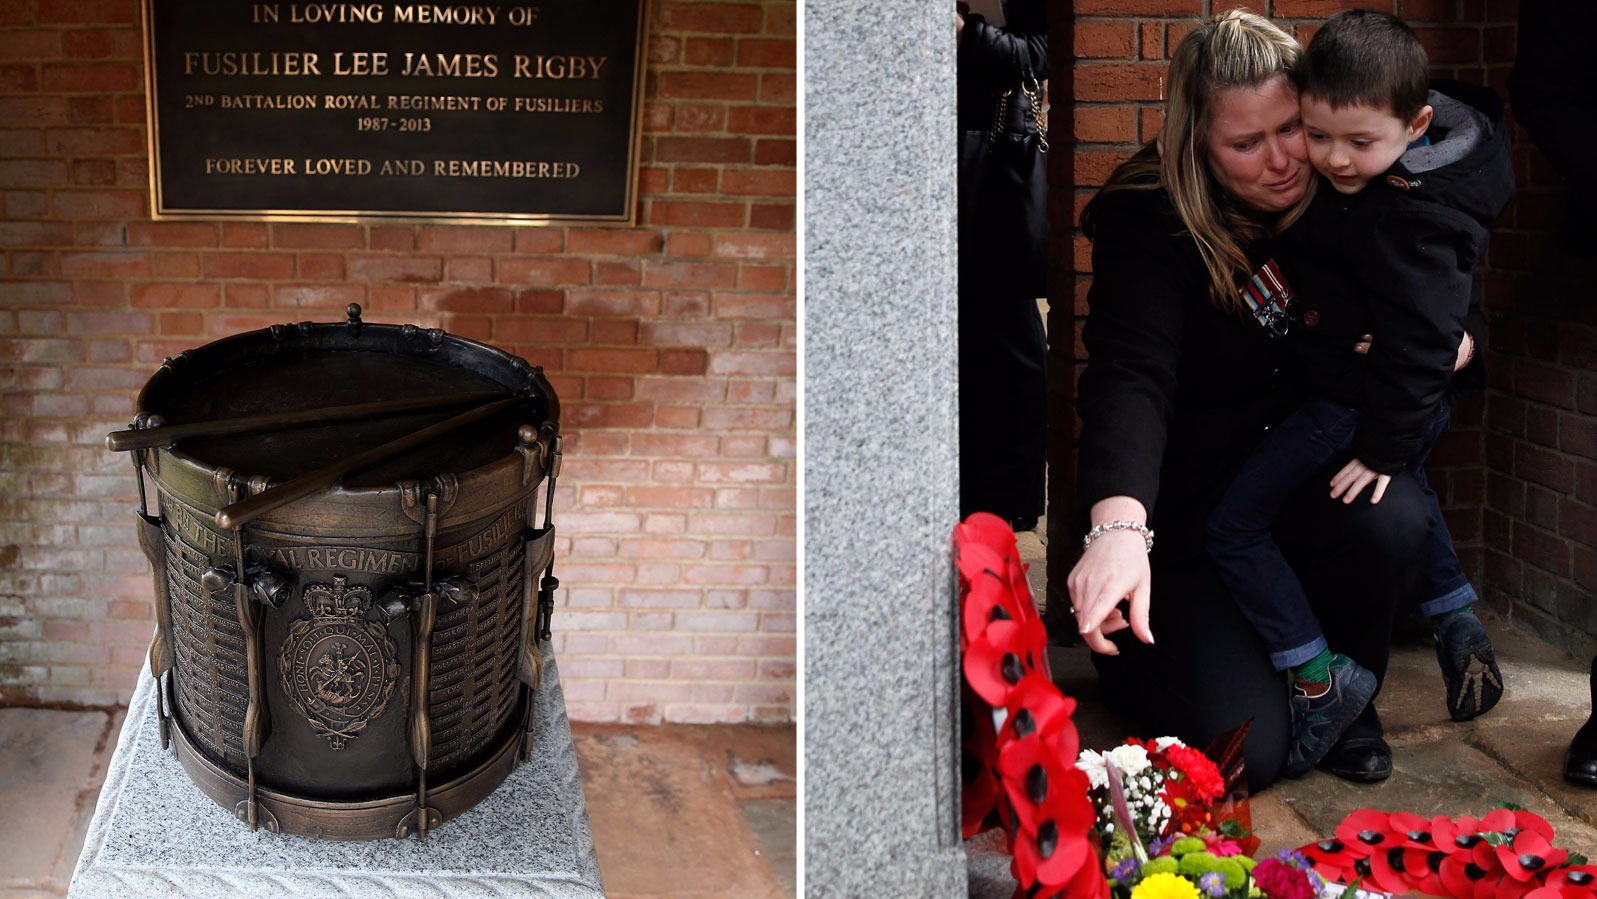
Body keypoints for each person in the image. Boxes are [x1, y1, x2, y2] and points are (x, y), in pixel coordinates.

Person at [1067, 9, 1477, 790]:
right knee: (1244, 754)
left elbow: (1438, 268)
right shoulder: (1148, 220)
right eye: (1244, 144)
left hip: (1299, 497)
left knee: (1391, 514)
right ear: (1196, 144)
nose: (1284, 160)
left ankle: (1351, 698)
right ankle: (1157, 666)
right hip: (1193, 524)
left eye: (1291, 128)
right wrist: (1117, 525)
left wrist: (1462, 340)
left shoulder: (1358, 180)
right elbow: (1130, 373)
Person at [1202, 10, 1511, 779]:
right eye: (1319, 135)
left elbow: (1432, 323)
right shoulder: (1390, 178)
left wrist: (1382, 437)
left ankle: (1319, 678)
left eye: (1358, 143)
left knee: (1235, 527)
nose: (1334, 160)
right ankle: (1451, 614)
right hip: (1373, 396)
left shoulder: (1408, 208)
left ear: (1417, 126)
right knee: (1405, 486)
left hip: (1354, 405)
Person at [956, 0, 1048, 531]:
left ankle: (1003, 501)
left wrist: (964, 32)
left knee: (1007, 333)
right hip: (933, 156)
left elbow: (1040, 53)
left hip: (993, 169)